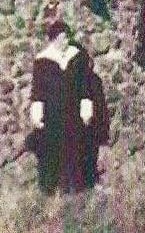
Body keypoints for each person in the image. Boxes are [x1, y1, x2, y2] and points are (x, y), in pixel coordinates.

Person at [27, 20, 111, 195]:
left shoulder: (77, 57)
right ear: (53, 39)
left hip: (73, 112)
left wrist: (86, 108)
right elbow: (38, 90)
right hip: (53, 114)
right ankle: (52, 187)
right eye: (61, 38)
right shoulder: (43, 61)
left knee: (76, 147)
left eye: (67, 37)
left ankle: (77, 185)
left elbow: (84, 85)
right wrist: (37, 113)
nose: (65, 41)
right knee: (53, 148)